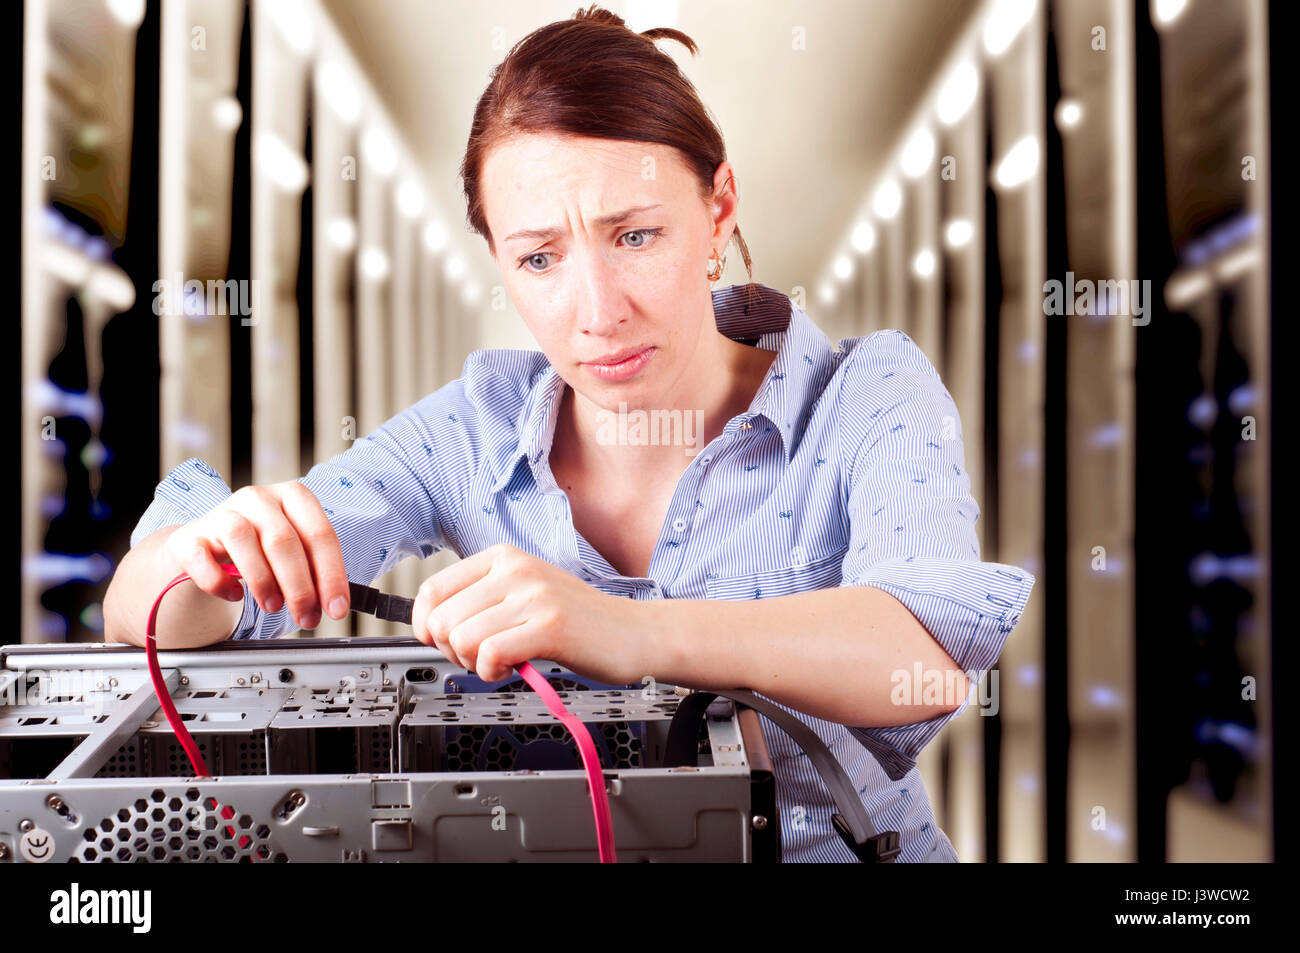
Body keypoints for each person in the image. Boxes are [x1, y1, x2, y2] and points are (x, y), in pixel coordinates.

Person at [104, 4, 1034, 862]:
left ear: (718, 208)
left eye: (635, 236)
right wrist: (213, 556)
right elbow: (147, 613)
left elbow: (922, 657)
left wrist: (628, 631)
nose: (596, 312)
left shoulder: (866, 393)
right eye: (540, 257)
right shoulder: (469, 432)